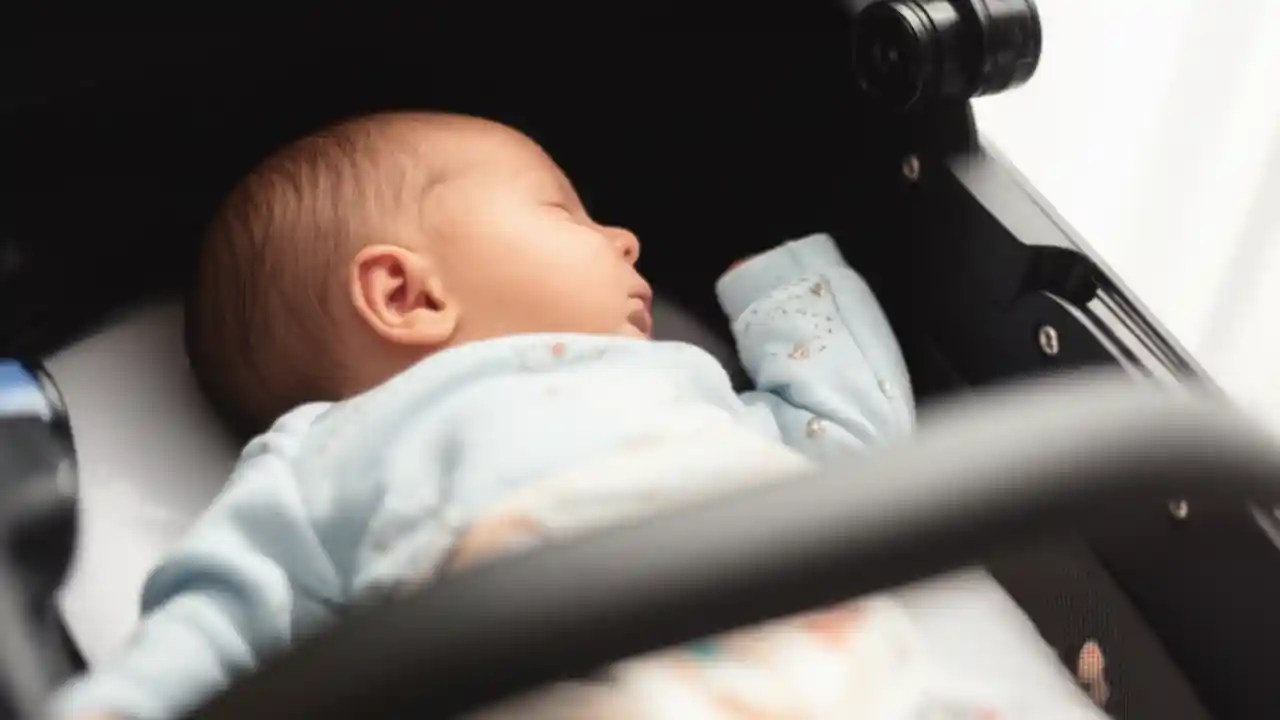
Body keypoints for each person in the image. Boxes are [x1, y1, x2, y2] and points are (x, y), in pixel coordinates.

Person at [52, 111, 1095, 719]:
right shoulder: (332, 450)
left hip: (844, 682)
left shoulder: (680, 388)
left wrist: (783, 287)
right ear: (406, 295)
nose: (627, 238)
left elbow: (849, 455)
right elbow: (224, 614)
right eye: (565, 211)